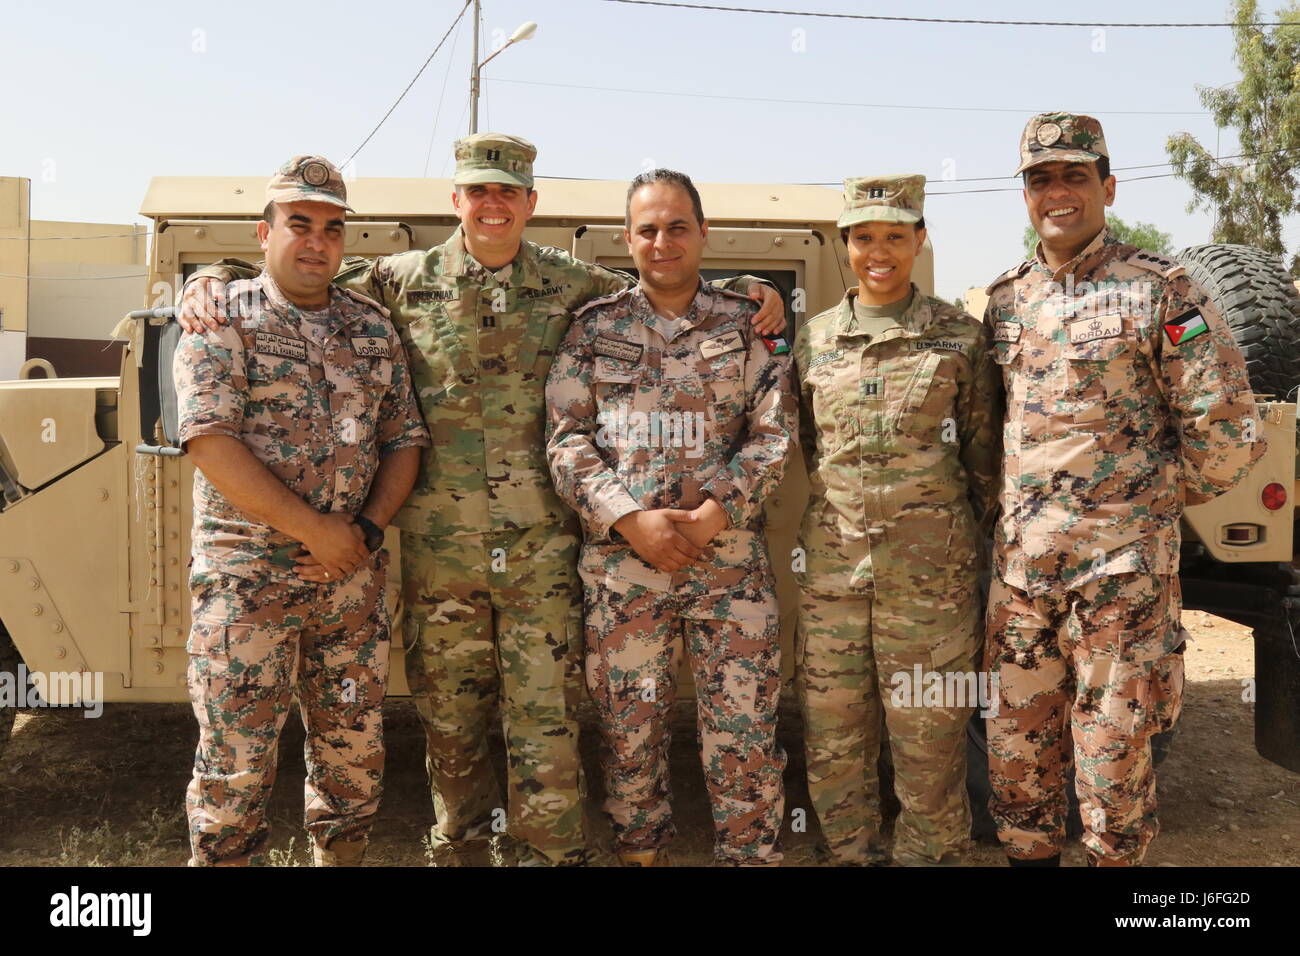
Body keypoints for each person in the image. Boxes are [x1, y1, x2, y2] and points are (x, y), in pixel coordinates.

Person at [177, 134, 787, 867]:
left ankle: (550, 858)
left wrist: (756, 287)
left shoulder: (576, 289)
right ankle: (459, 855)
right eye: (478, 190)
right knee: (452, 729)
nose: (492, 204)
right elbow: (303, 278)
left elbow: (662, 291)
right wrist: (211, 275)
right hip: (445, 560)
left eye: (508, 191)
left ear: (531, 202)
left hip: (542, 557)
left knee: (546, 728)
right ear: (456, 199)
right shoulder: (401, 282)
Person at [983, 112, 1265, 866]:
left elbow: (1231, 428)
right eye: (1041, 179)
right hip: (1022, 583)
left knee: (1113, 769)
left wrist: (1148, 504)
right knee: (1017, 766)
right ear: (1026, 196)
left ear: (1107, 185)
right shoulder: (1006, 299)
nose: (1058, 193)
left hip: (1121, 579)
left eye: (1075, 175)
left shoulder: (1159, 291)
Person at [173, 155, 429, 866]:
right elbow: (209, 441)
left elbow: (403, 439)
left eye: (332, 228)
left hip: (349, 585)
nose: (316, 241)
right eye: (300, 224)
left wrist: (365, 532)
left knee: (351, 760)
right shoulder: (222, 317)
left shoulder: (373, 328)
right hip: (247, 585)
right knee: (234, 767)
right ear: (265, 233)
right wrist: (318, 530)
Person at [546, 168, 796, 866]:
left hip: (731, 571)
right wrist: (630, 521)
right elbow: (565, 441)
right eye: (648, 229)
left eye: (677, 226)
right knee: (630, 736)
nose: (663, 241)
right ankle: (641, 854)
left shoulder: (749, 323)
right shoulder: (594, 329)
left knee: (744, 737)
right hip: (627, 571)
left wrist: (718, 513)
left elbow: (775, 434)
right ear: (628, 238)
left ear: (702, 233)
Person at [793, 175, 1000, 866]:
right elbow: (809, 451)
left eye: (893, 236)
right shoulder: (813, 342)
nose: (877, 252)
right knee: (833, 745)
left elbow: (982, 462)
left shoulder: (959, 339)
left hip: (930, 590)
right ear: (844, 244)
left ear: (919, 239)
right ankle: (850, 854)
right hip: (834, 583)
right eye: (862, 238)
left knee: (931, 749)